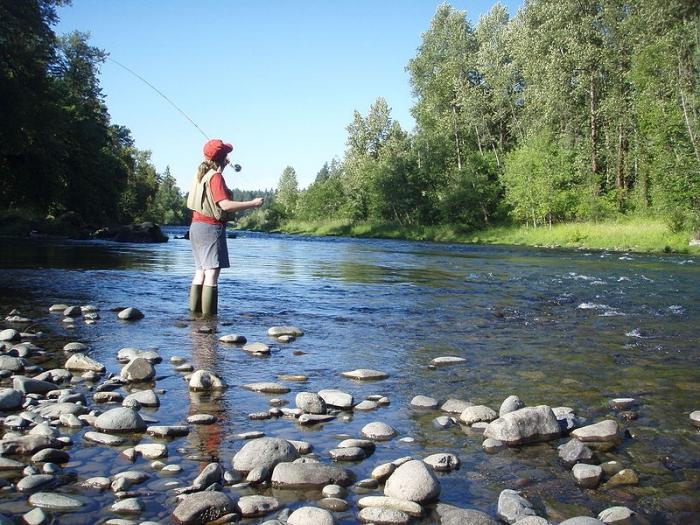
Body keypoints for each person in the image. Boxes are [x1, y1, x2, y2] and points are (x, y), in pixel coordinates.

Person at [187, 139, 263, 316]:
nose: (229, 157)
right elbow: (225, 205)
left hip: (195, 227)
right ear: (222, 157)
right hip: (210, 229)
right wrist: (253, 203)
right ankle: (208, 321)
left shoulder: (201, 174)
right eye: (226, 154)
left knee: (200, 273)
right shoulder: (216, 177)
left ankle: (194, 317)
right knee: (211, 275)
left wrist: (221, 166)